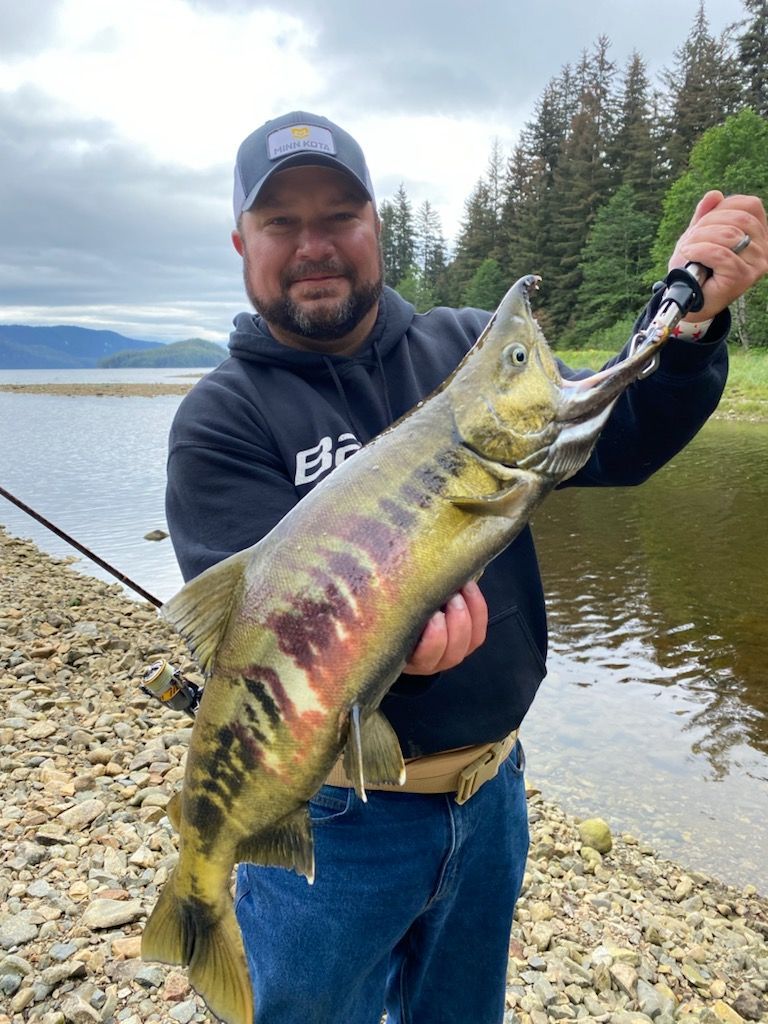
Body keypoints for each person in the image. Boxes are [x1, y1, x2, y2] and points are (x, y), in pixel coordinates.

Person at [165, 111, 768, 1024]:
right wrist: (396, 648)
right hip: (332, 823)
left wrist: (688, 322)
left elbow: (619, 434)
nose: (314, 245)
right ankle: (197, 892)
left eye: (340, 214)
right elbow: (254, 647)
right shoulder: (222, 420)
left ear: (376, 223)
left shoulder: (461, 350)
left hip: (490, 801)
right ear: (241, 239)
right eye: (282, 222)